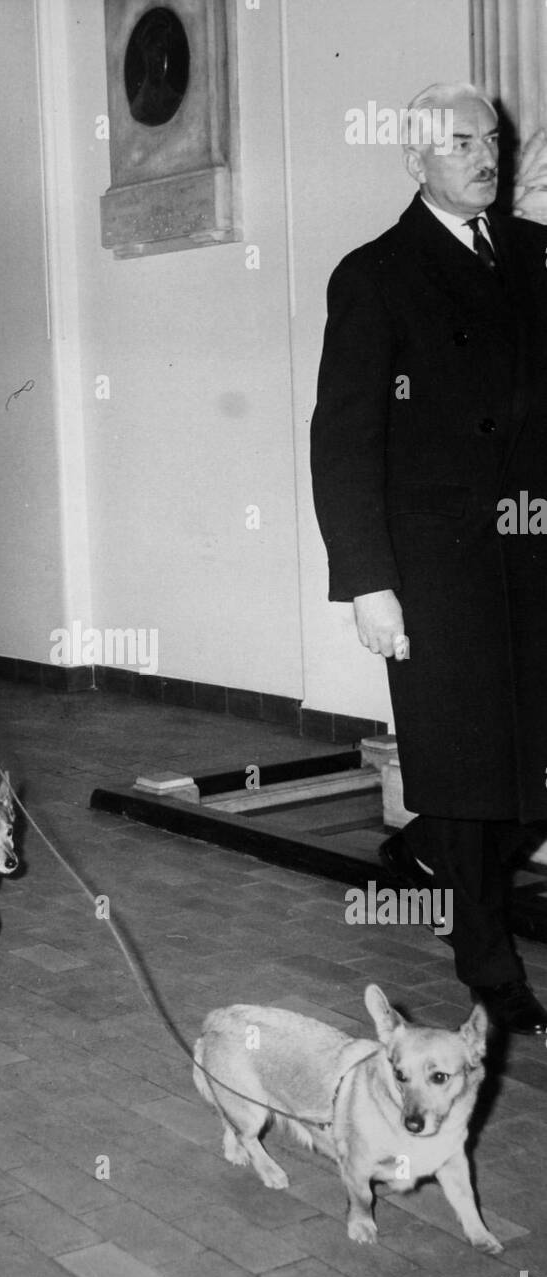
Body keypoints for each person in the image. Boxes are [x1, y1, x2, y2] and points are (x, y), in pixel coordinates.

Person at [311, 83, 547, 1036]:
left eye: (490, 140)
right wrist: (369, 582)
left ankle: (426, 852)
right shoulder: (374, 275)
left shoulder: (537, 254)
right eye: (457, 143)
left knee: (530, 762)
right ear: (414, 161)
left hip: (534, 549)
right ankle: (486, 959)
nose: (483, 156)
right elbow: (343, 441)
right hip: (439, 565)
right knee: (466, 761)